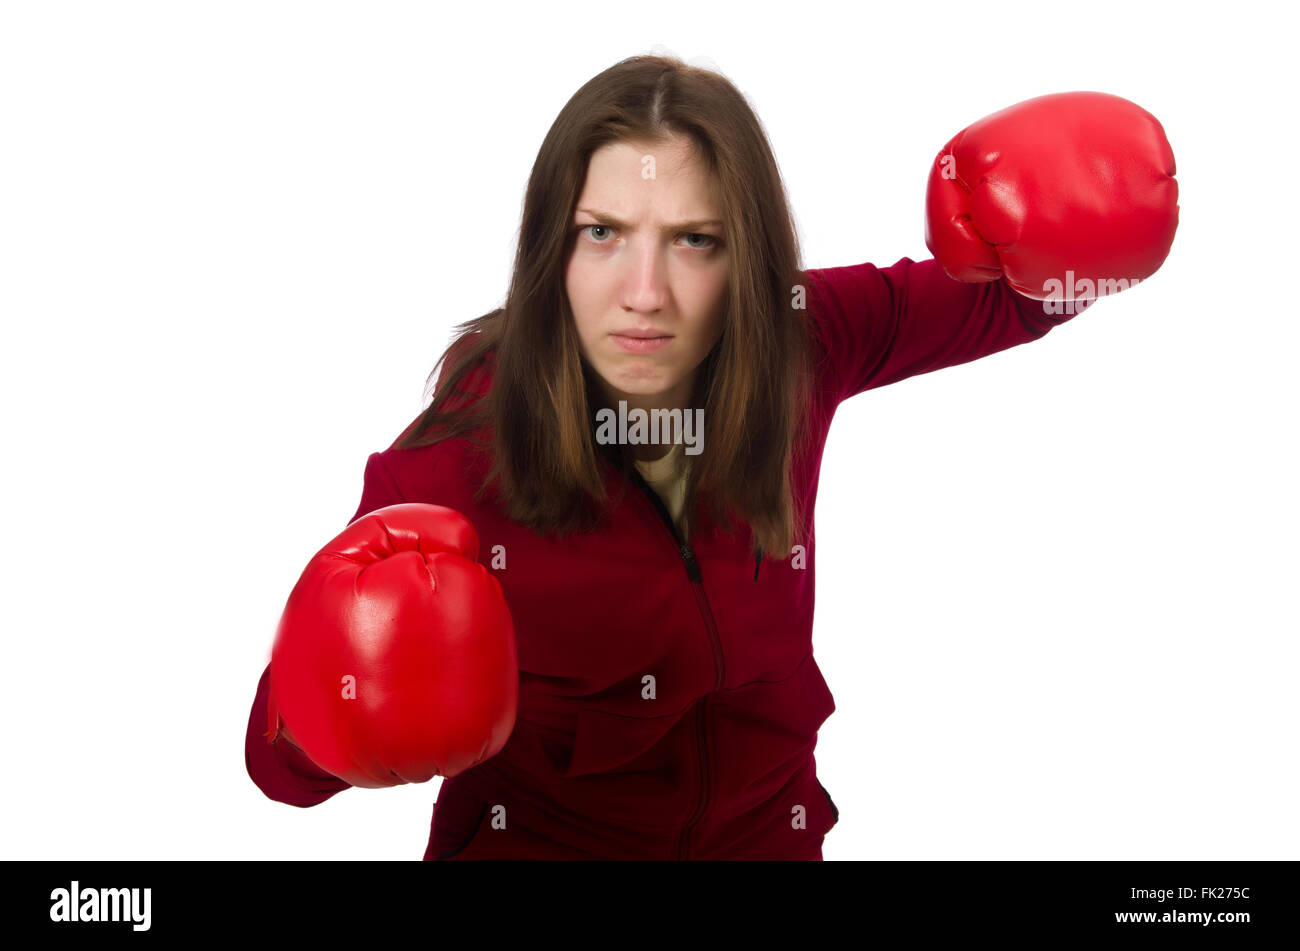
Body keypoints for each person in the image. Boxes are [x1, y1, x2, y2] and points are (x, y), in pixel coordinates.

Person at [245, 55, 1178, 860]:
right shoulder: (450, 470)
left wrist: (1070, 226)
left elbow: (1003, 296)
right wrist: (329, 721)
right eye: (601, 233)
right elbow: (279, 769)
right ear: (550, 251)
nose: (643, 293)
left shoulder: (797, 341)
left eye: (695, 241)